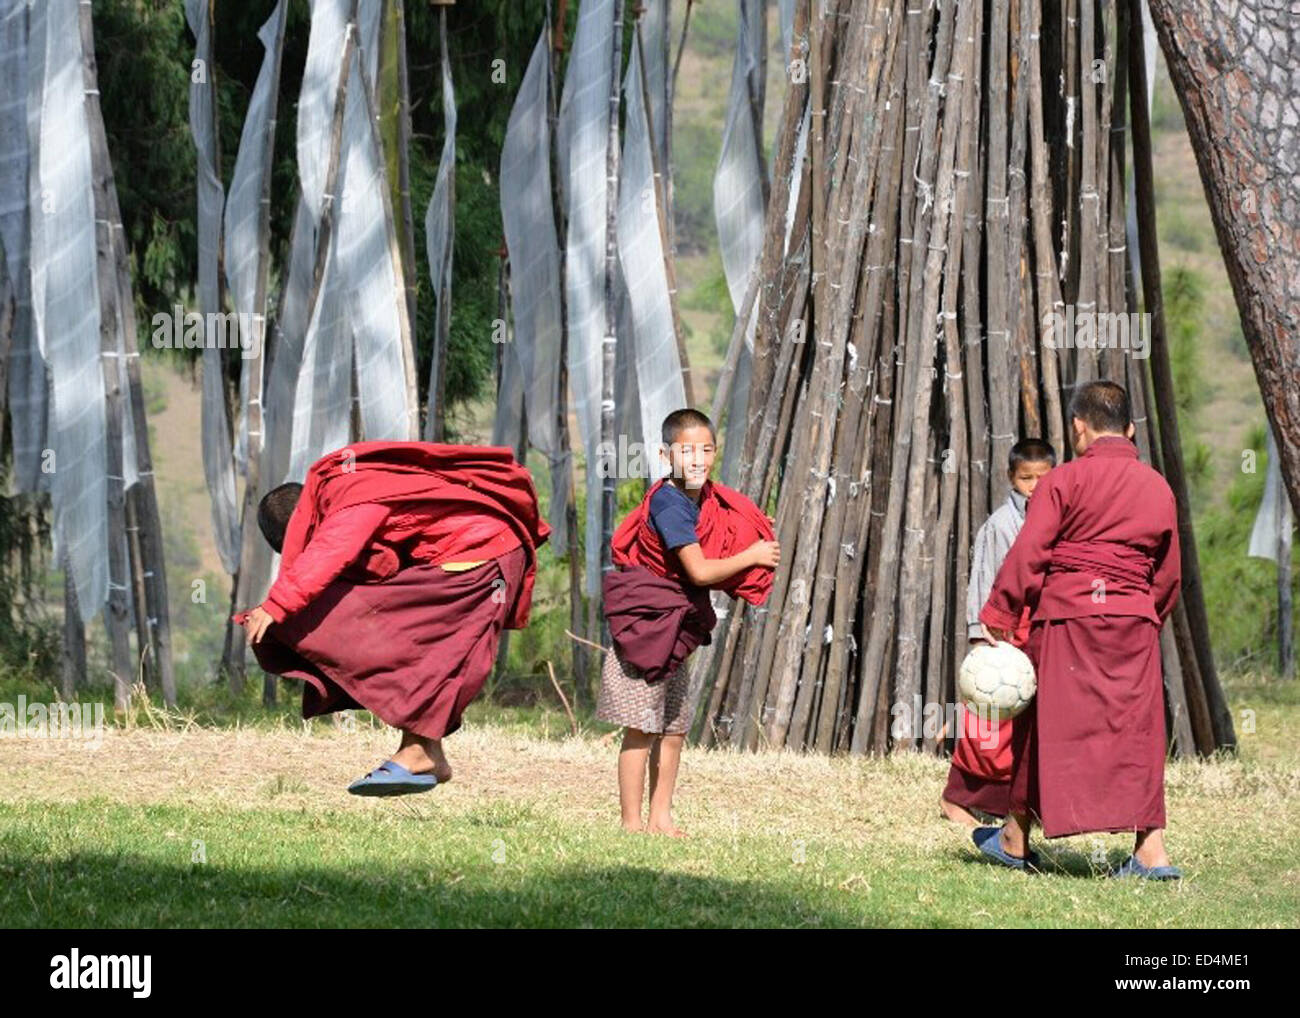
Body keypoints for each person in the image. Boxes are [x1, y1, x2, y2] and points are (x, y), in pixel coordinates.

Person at [232, 440, 549, 796]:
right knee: (422, 649)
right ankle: (428, 753)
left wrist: (277, 605)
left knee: (407, 641)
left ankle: (418, 752)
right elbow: (382, 566)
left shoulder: (346, 493)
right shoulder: (346, 489)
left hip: (477, 553)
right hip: (479, 554)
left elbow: (332, 550)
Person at [975, 381, 1182, 879]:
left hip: (1067, 618)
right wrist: (1137, 613)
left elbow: (1030, 552)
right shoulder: (1158, 487)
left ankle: (1015, 837)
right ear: (1130, 430)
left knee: (1041, 725)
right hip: (1132, 621)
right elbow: (1169, 573)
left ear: (1078, 428)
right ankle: (1151, 852)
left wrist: (1001, 613)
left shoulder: (1061, 482)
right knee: (1139, 732)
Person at [597, 408, 778, 836]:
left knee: (673, 730)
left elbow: (721, 534)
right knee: (641, 727)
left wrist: (747, 534)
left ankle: (661, 818)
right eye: (687, 450)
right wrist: (751, 556)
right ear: (666, 455)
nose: (697, 459)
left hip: (677, 624)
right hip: (648, 623)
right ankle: (630, 823)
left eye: (706, 449)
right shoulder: (669, 503)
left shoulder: (706, 498)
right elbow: (698, 571)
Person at [940, 438, 1055, 828]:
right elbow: (983, 580)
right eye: (1026, 479)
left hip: (1038, 631)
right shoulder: (1000, 525)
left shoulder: (1058, 518)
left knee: (1028, 724)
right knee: (990, 723)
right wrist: (981, 634)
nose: (1035, 486)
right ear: (1011, 478)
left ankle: (1017, 807)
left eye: (1043, 478)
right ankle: (958, 799)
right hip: (1004, 634)